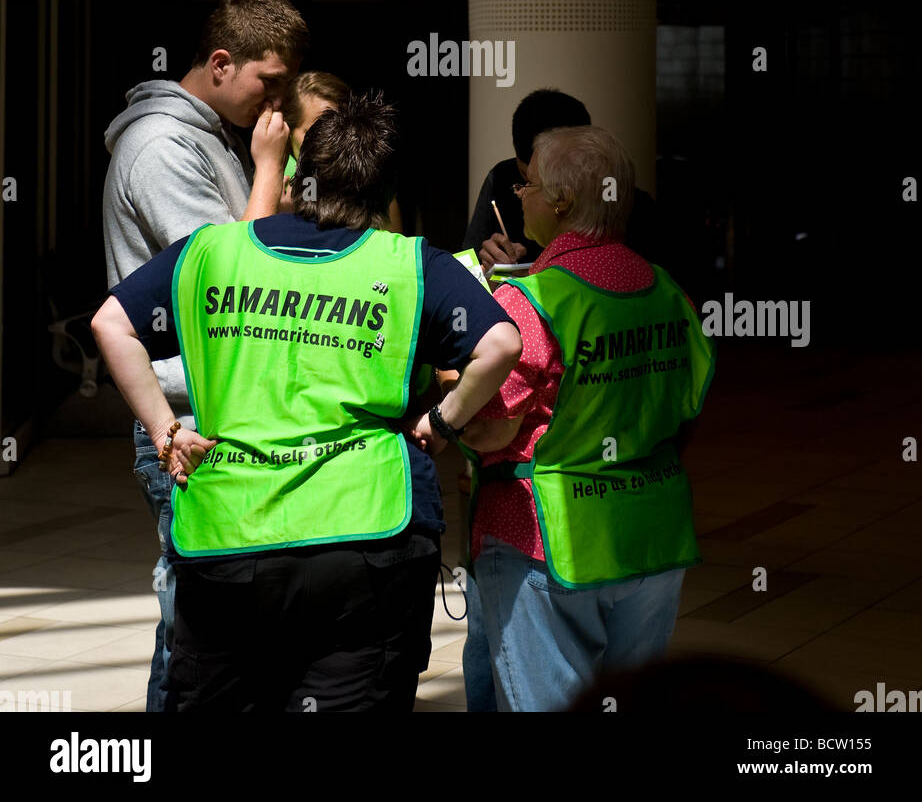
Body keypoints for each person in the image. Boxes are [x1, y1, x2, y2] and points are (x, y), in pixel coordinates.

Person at [92, 92, 522, 712]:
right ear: (384, 194)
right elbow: (501, 343)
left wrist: (164, 429)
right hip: (369, 538)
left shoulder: (213, 251)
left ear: (299, 178)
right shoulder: (409, 264)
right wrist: (442, 422)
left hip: (229, 539)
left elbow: (111, 324)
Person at [102, 0, 308, 712]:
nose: (277, 103)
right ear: (221, 62)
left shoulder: (212, 133)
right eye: (269, 82)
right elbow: (234, 281)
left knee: (216, 628)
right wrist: (267, 170)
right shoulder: (161, 146)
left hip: (222, 410)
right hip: (188, 421)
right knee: (195, 629)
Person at [461, 125, 715, 713]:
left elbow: (491, 426)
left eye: (526, 185)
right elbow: (686, 412)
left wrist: (450, 404)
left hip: (543, 540)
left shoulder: (532, 301)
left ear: (561, 202)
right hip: (652, 533)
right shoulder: (670, 294)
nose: (517, 194)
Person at [463, 87, 660, 271]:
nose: (521, 191)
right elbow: (465, 263)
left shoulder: (626, 204)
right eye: (524, 177)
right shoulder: (501, 177)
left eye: (531, 182)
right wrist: (486, 270)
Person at [282, 70, 403, 231]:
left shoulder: (370, 174)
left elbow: (391, 241)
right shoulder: (295, 177)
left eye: (342, 128)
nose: (335, 141)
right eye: (315, 130)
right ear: (289, 131)